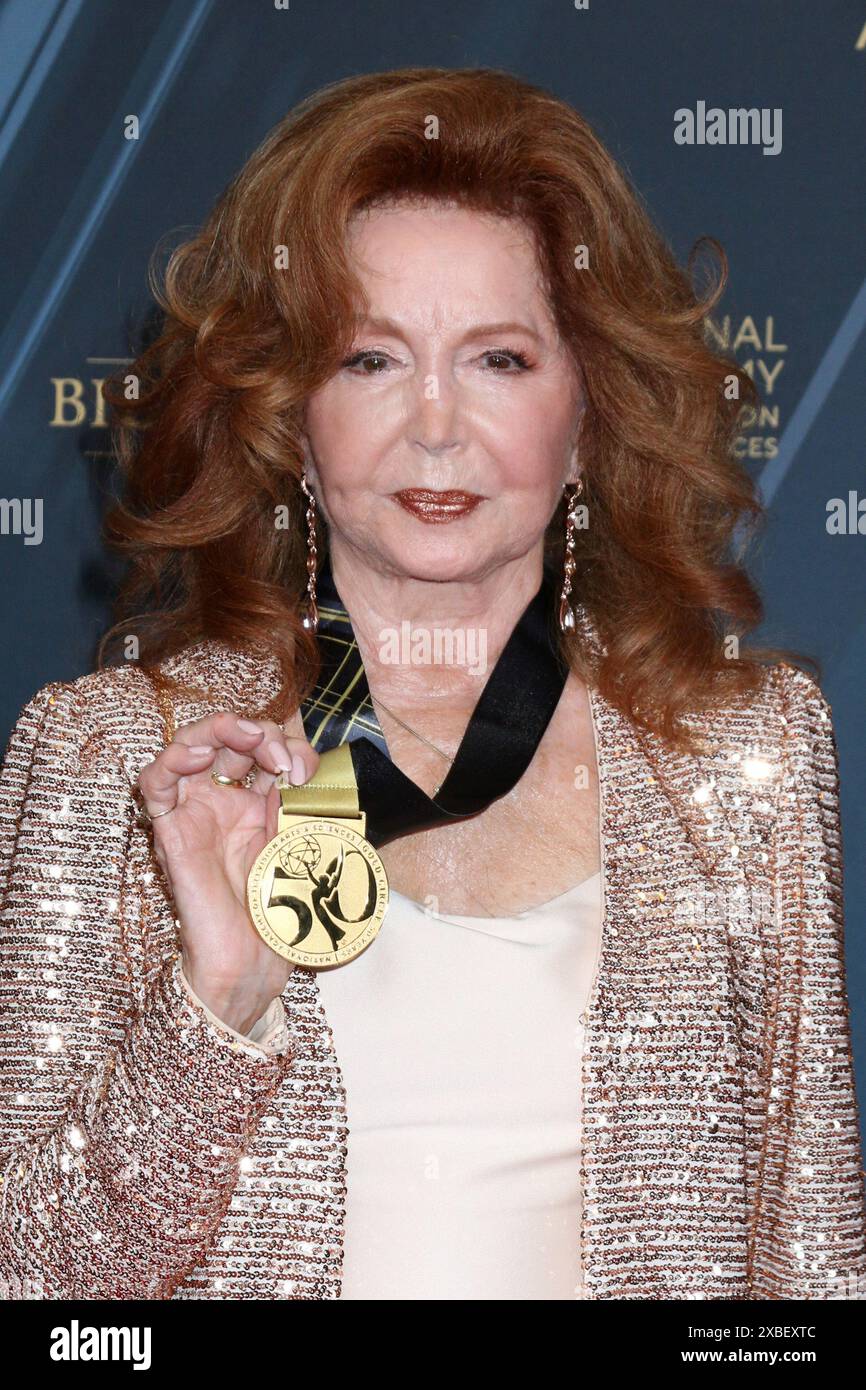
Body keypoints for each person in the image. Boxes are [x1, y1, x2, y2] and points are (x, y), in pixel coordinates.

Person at [1, 66, 864, 1302]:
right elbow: (37, 1298)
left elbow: (808, 1262)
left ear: (587, 408)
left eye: (499, 359)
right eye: (367, 360)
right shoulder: (111, 760)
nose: (436, 425)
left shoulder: (745, 755)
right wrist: (218, 1006)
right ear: (289, 414)